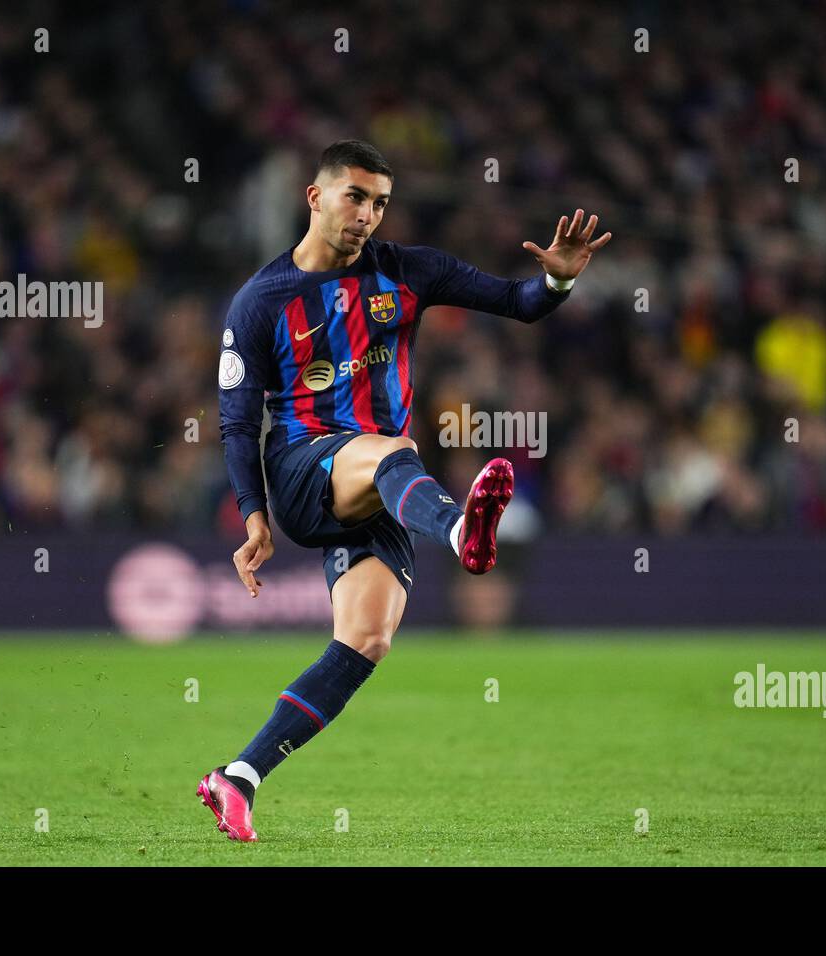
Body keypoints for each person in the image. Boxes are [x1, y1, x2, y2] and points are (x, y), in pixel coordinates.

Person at [197, 140, 611, 841]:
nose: (366, 215)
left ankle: (238, 777)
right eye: (355, 197)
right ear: (315, 197)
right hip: (305, 471)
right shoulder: (259, 303)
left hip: (383, 488)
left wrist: (560, 283)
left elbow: (518, 300)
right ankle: (459, 534)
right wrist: (254, 517)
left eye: (379, 202)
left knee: (366, 640)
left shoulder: (410, 271)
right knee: (397, 449)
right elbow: (238, 424)